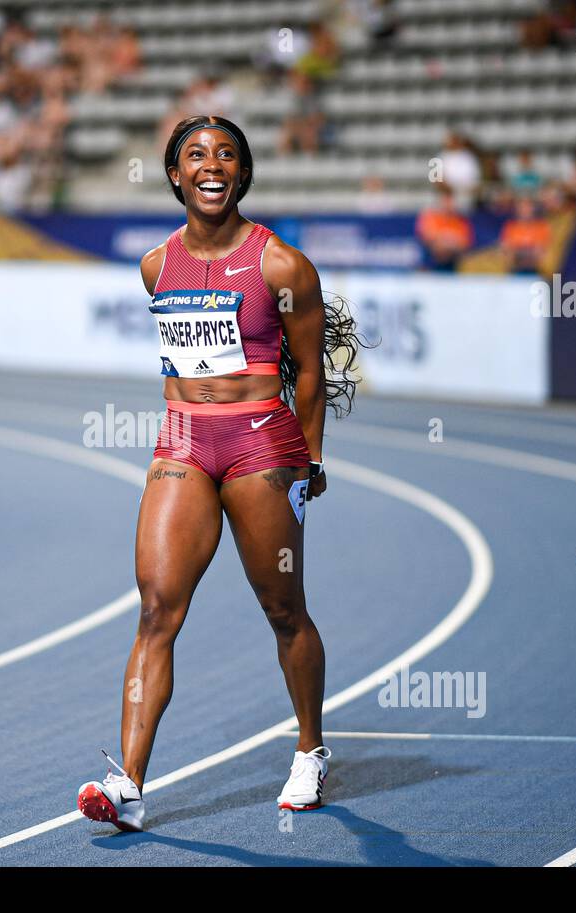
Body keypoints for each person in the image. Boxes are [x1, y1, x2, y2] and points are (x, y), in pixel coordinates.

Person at [75, 117, 364, 831]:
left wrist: (311, 460)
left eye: (226, 155)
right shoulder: (154, 266)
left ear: (242, 173)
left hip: (261, 447)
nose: (211, 165)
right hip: (182, 445)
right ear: (174, 174)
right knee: (155, 610)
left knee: (283, 610)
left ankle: (309, 749)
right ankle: (130, 784)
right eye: (196, 156)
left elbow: (311, 378)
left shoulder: (283, 266)